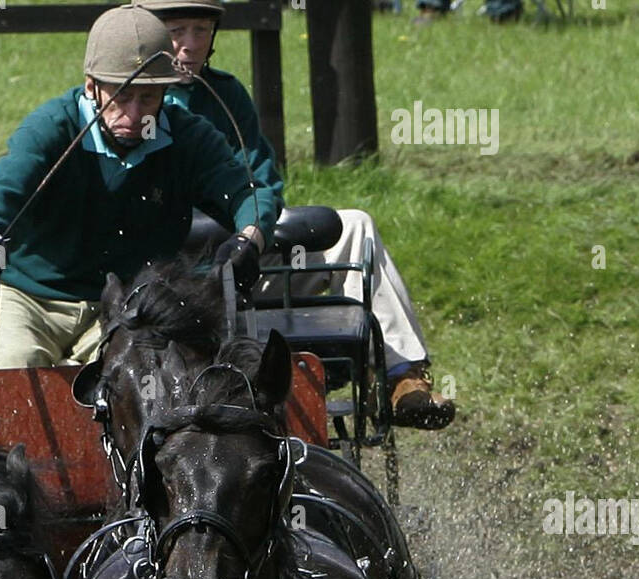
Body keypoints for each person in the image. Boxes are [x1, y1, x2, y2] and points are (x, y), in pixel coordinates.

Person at [138, 0, 456, 429]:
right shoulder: (133, 101)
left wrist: (249, 233)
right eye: (178, 32)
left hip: (242, 262)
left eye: (201, 30)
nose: (190, 45)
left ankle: (402, 377)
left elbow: (264, 184)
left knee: (355, 226)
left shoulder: (227, 95)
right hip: (171, 279)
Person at [0, 6, 274, 369]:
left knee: (134, 379)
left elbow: (248, 192)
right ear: (91, 86)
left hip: (129, 302)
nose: (134, 115)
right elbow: (3, 193)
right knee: (13, 368)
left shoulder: (189, 136)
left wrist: (249, 240)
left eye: (148, 98)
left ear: (166, 92)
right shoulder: (50, 127)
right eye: (121, 97)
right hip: (29, 298)